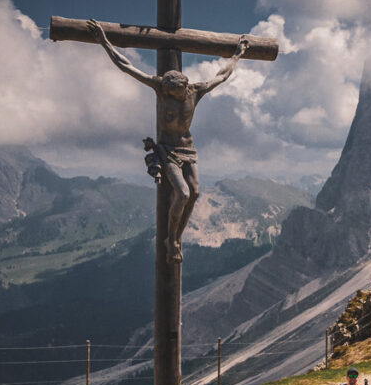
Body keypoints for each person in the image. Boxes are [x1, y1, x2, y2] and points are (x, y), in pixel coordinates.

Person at [86, 18, 250, 263]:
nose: (170, 95)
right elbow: (127, 66)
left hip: (188, 149)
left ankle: (178, 235)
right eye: (168, 92)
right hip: (167, 150)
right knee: (182, 194)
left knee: (195, 193)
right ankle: (172, 239)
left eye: (175, 93)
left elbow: (222, 75)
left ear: (184, 88)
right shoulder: (160, 87)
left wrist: (237, 54)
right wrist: (104, 42)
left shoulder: (197, 90)